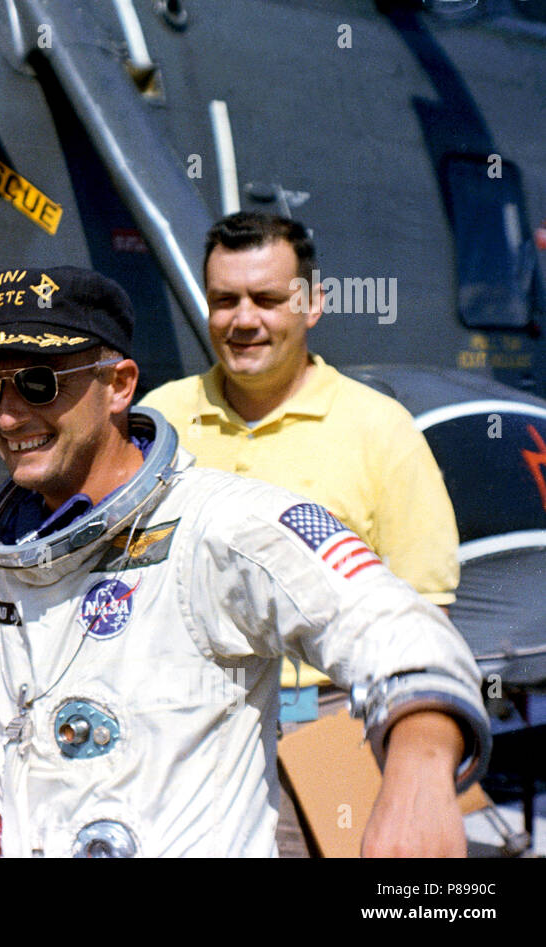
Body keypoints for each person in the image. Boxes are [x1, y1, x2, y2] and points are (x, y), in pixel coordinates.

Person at [0, 265, 490, 857]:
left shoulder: (223, 524)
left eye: (39, 383)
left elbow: (396, 627)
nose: (8, 415)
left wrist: (419, 773)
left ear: (120, 385)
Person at [137, 212, 462, 853]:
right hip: (186, 734)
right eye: (225, 300)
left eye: (267, 298)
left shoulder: (380, 430)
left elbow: (427, 609)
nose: (244, 319)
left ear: (311, 304)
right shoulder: (160, 423)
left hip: (328, 725)